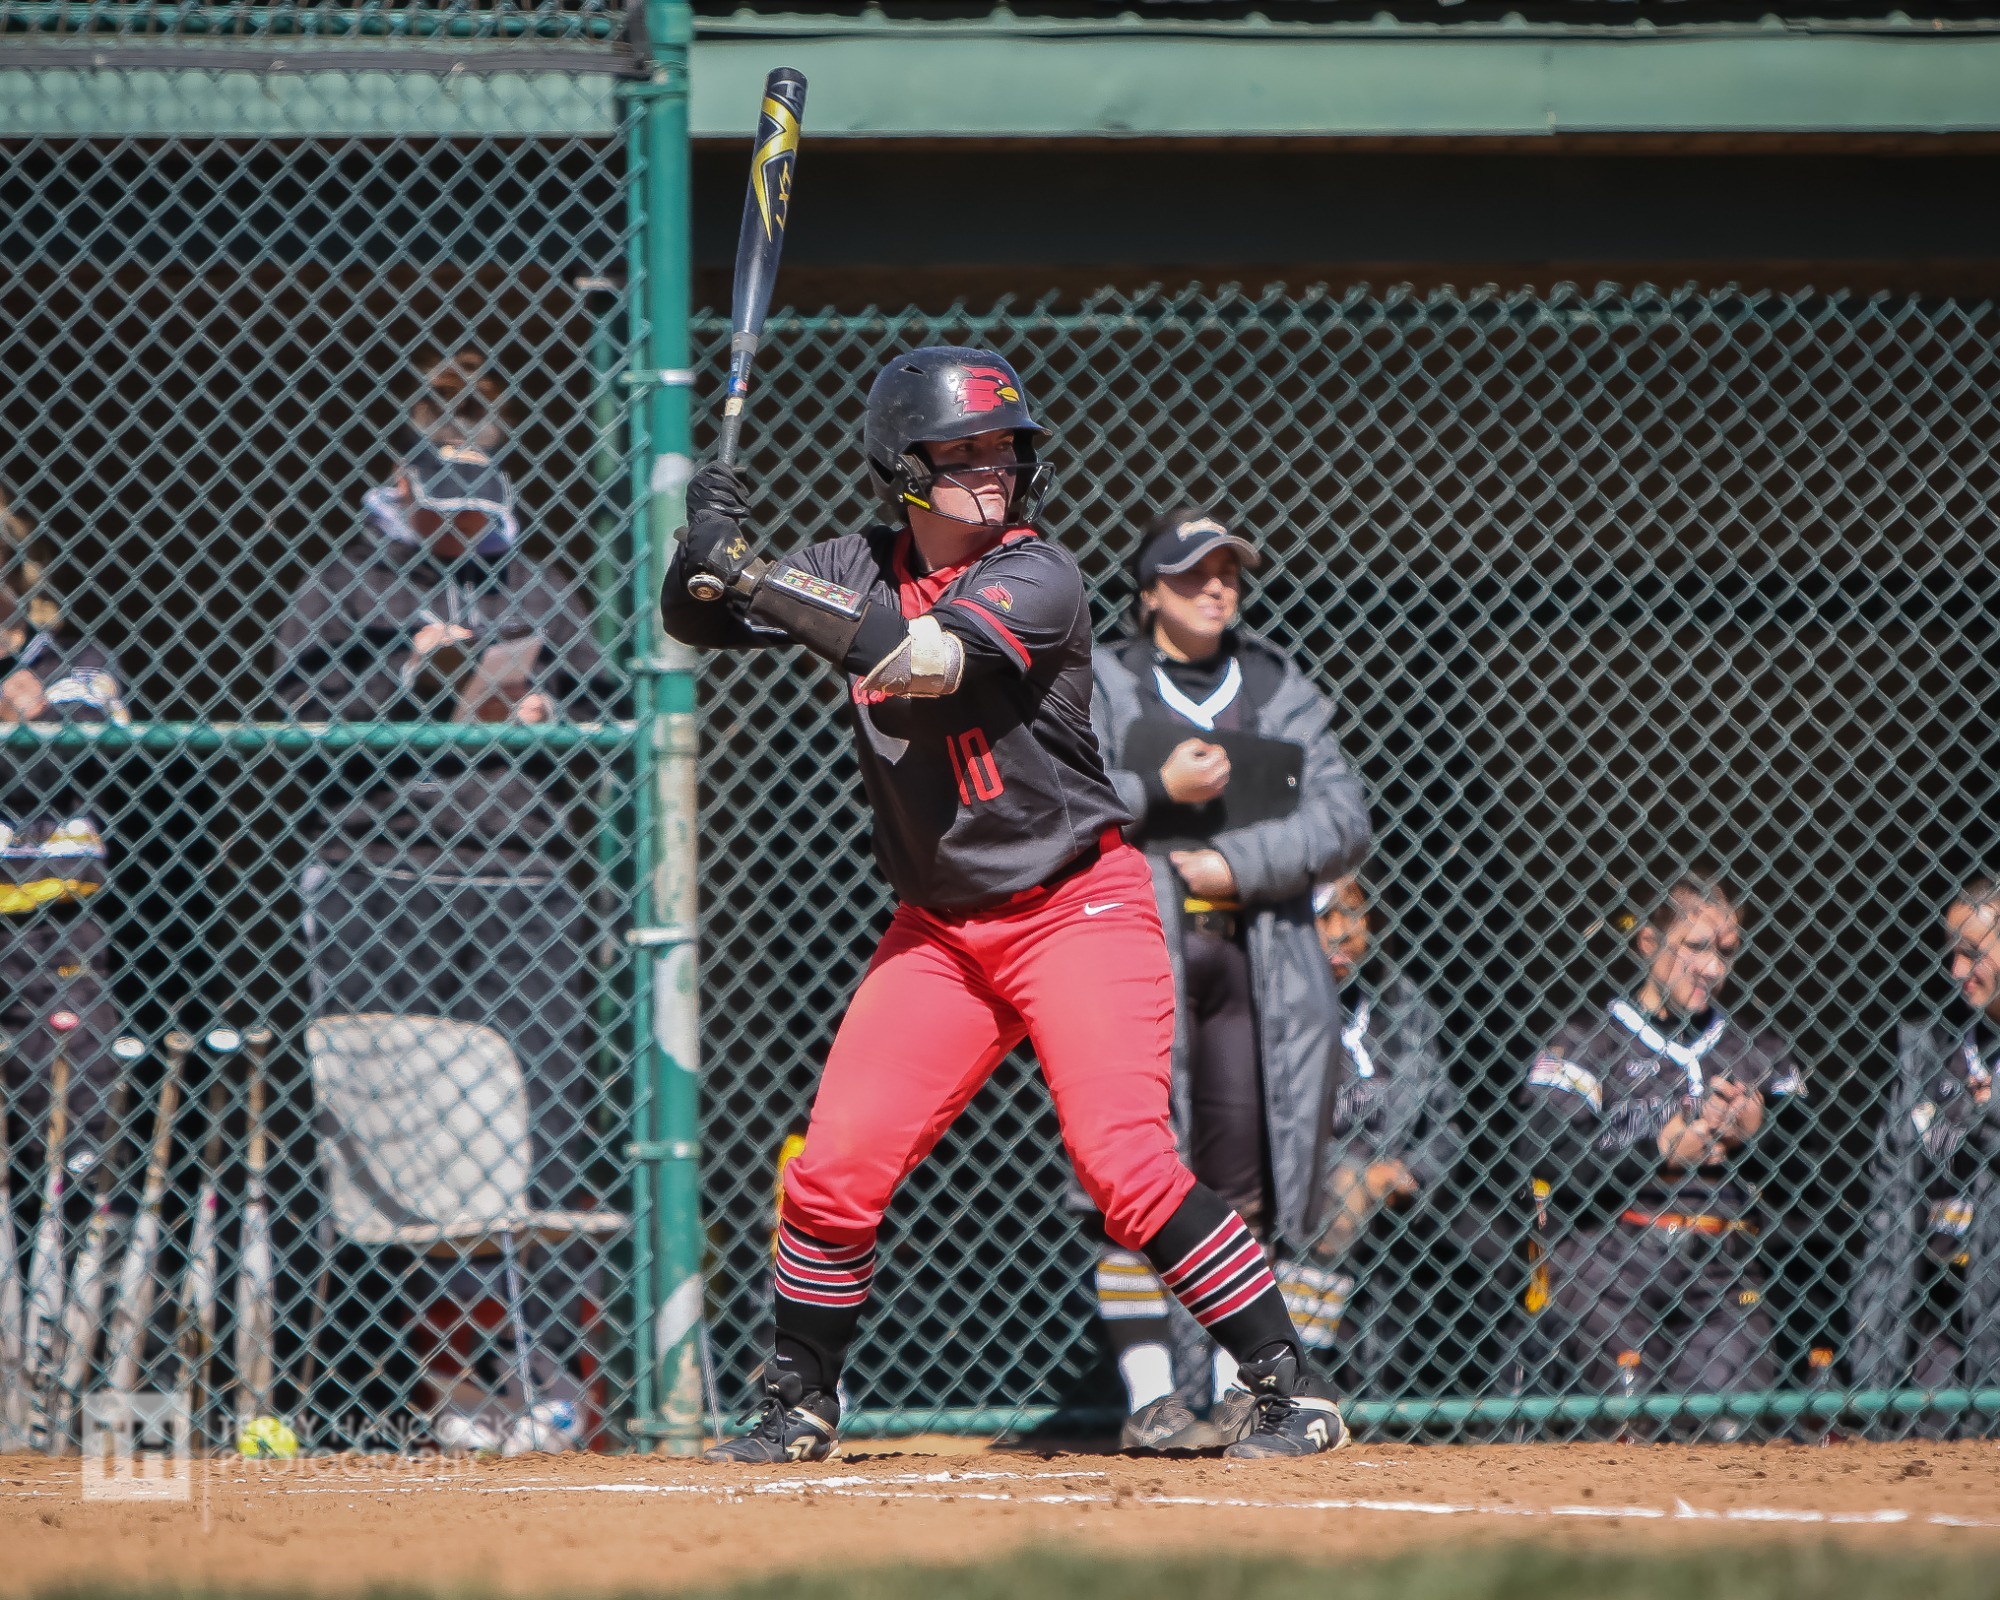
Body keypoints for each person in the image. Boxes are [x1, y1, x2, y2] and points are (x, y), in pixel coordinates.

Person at [662, 347, 1350, 1462]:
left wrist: (745, 574)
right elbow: (697, 623)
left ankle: (1289, 1388)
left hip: (1074, 905)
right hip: (938, 929)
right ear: (901, 462)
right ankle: (796, 1399)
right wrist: (701, 555)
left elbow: (921, 661)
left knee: (1122, 1165)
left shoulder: (1041, 573)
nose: (992, 467)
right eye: (962, 450)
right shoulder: (850, 560)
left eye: (1003, 448)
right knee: (834, 1164)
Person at [273, 367, 620, 1448]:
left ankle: (531, 1373)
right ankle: (396, 1388)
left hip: (518, 884)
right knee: (392, 1132)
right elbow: (293, 721)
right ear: (399, 483)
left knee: (541, 1130)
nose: (462, 520)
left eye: (479, 499)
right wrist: (407, 678)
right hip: (383, 877)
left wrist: (548, 708)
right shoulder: (342, 588)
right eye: (442, 498)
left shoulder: (537, 587)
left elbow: (610, 713)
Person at [1078, 507, 1370, 1449]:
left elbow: (1342, 820)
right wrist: (1164, 791)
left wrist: (1234, 863)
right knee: (1133, 1174)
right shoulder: (1108, 682)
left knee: (1258, 1184)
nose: (1219, 587)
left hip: (1262, 962)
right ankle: (1154, 1399)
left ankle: (1256, 1391)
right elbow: (1059, 797)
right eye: (1196, 572)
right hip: (1138, 951)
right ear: (1150, 589)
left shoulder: (1279, 687)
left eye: (1231, 573)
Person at [1521, 872, 1805, 1436]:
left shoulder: (1757, 1049)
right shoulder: (1586, 1041)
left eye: (1725, 951)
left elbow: (1815, 1170)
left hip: (1721, 1263)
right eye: (1695, 947)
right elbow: (1545, 1156)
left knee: (1727, 1431)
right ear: (1649, 943)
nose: (1713, 968)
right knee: (1629, 1432)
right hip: (1610, 1260)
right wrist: (1659, 1149)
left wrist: (1759, 1133)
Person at [0, 520, 132, 1177]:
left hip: (53, 916)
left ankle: (71, 1206)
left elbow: (57, 771)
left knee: (65, 1086)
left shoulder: (78, 665)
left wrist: (37, 725)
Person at [1303, 871, 1463, 1402]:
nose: (1342, 931)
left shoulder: (1403, 1005)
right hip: (1314, 1194)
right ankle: (1297, 1382)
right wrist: (1348, 1171)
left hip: (1405, 1196)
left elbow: (1447, 1123)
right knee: (1343, 1203)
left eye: (1356, 914)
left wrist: (1413, 1172)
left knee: (1500, 1254)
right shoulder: (1283, 1010)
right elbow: (1275, 1125)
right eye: (1325, 917)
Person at [1848, 877, 2000, 1428]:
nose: (1957, 971)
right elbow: (1891, 1179)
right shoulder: (1931, 1051)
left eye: (1974, 953)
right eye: (1952, 954)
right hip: (1932, 1293)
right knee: (1921, 1437)